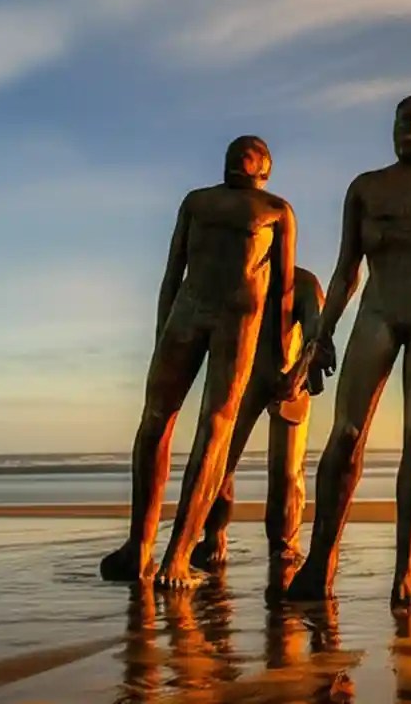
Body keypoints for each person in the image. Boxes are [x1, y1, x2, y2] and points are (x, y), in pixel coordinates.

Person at [286, 95, 411, 604]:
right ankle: (320, 561)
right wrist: (321, 334)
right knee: (346, 433)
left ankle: (409, 567)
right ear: (393, 128)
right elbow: (345, 271)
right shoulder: (365, 189)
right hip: (377, 310)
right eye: (404, 119)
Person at [99, 135, 298, 589]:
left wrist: (283, 357)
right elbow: (174, 270)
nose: (238, 159)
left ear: (264, 167)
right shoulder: (197, 202)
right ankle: (139, 545)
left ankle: (179, 553)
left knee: (215, 428)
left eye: (248, 156)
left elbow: (283, 292)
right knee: (155, 421)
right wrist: (160, 333)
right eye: (234, 153)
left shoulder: (277, 211)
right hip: (188, 312)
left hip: (238, 321)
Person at [193, 266, 325, 568]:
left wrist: (300, 371)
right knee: (221, 461)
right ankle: (214, 536)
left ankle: (285, 544)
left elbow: (318, 332)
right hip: (245, 377)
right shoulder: (242, 279)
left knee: (288, 471)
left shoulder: (304, 283)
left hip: (290, 378)